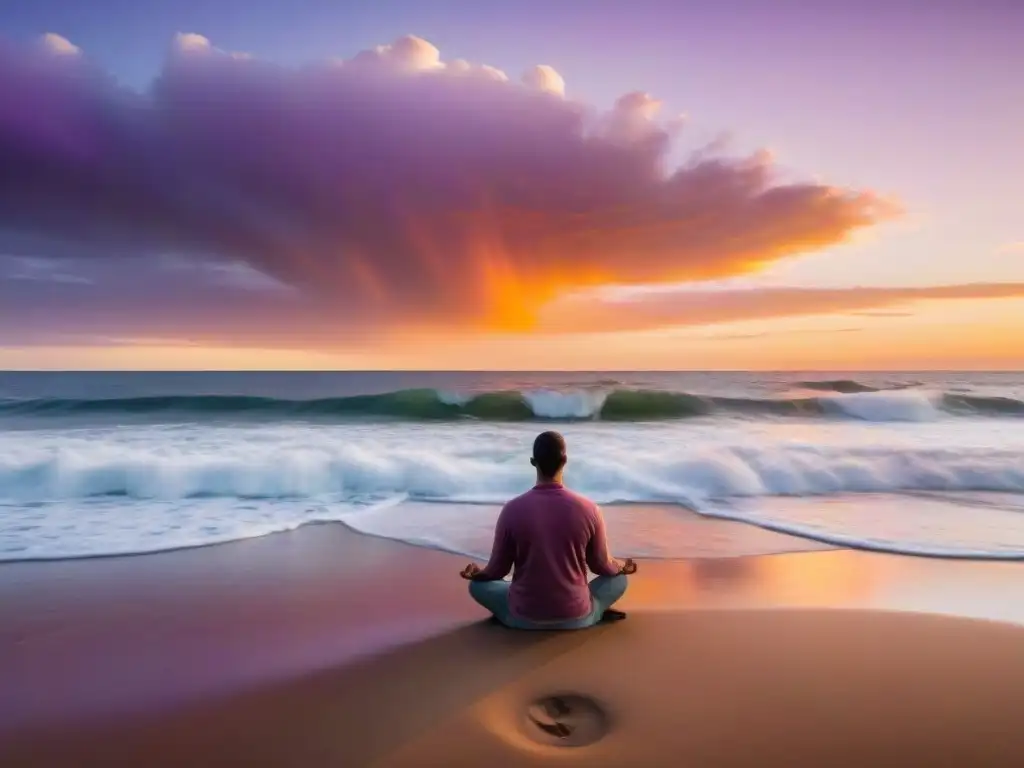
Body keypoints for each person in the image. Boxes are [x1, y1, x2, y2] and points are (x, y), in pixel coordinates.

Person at [460, 430, 637, 630]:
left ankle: (509, 612)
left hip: (523, 617)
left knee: (477, 586)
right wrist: (621, 567)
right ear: (565, 460)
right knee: (619, 580)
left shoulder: (511, 510)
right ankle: (595, 611)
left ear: (533, 462)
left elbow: (498, 570)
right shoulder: (590, 509)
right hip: (576, 617)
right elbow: (601, 566)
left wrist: (478, 574)